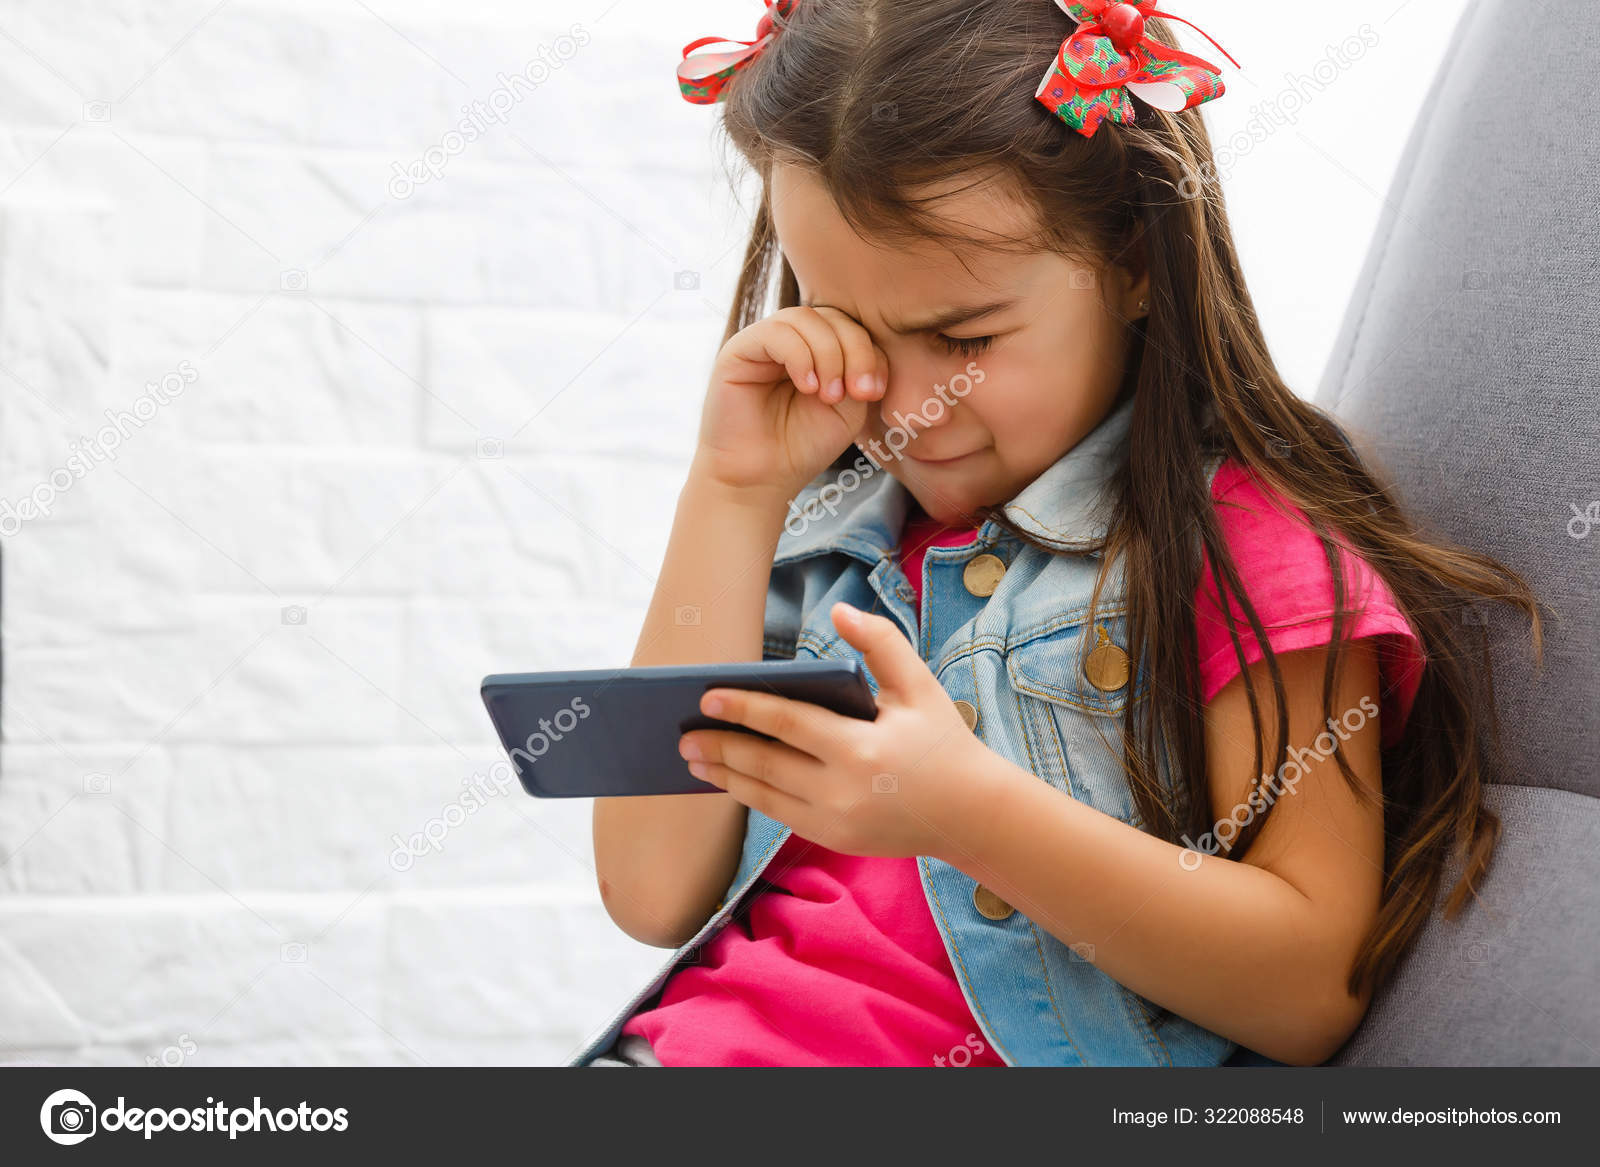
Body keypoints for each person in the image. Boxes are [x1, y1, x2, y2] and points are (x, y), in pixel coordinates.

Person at [577, 0, 1540, 1067]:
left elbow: (1307, 990)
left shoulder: (1245, 553)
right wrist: (731, 490)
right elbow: (652, 892)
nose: (908, 405)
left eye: (963, 337)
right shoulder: (825, 539)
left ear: (1133, 260)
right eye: (845, 323)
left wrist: (959, 808)